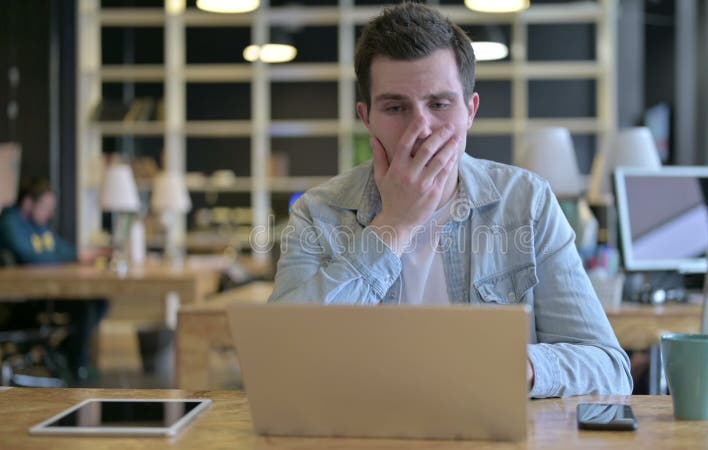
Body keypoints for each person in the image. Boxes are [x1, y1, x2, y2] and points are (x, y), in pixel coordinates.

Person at [268, 2, 632, 398]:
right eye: (395, 107)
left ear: (470, 111)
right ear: (366, 117)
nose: (421, 127)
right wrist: (394, 225)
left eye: (439, 104)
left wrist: (517, 366)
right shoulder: (317, 212)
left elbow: (608, 367)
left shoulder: (527, 202)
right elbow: (279, 360)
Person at [0, 177, 108, 382]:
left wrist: (79, 254)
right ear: (28, 203)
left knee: (98, 300)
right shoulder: (10, 223)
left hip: (44, 292)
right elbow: (32, 257)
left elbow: (59, 248)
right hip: (21, 301)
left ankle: (66, 356)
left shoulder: (39, 226)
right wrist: (72, 256)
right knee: (85, 308)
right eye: (45, 207)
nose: (49, 214)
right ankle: (76, 368)